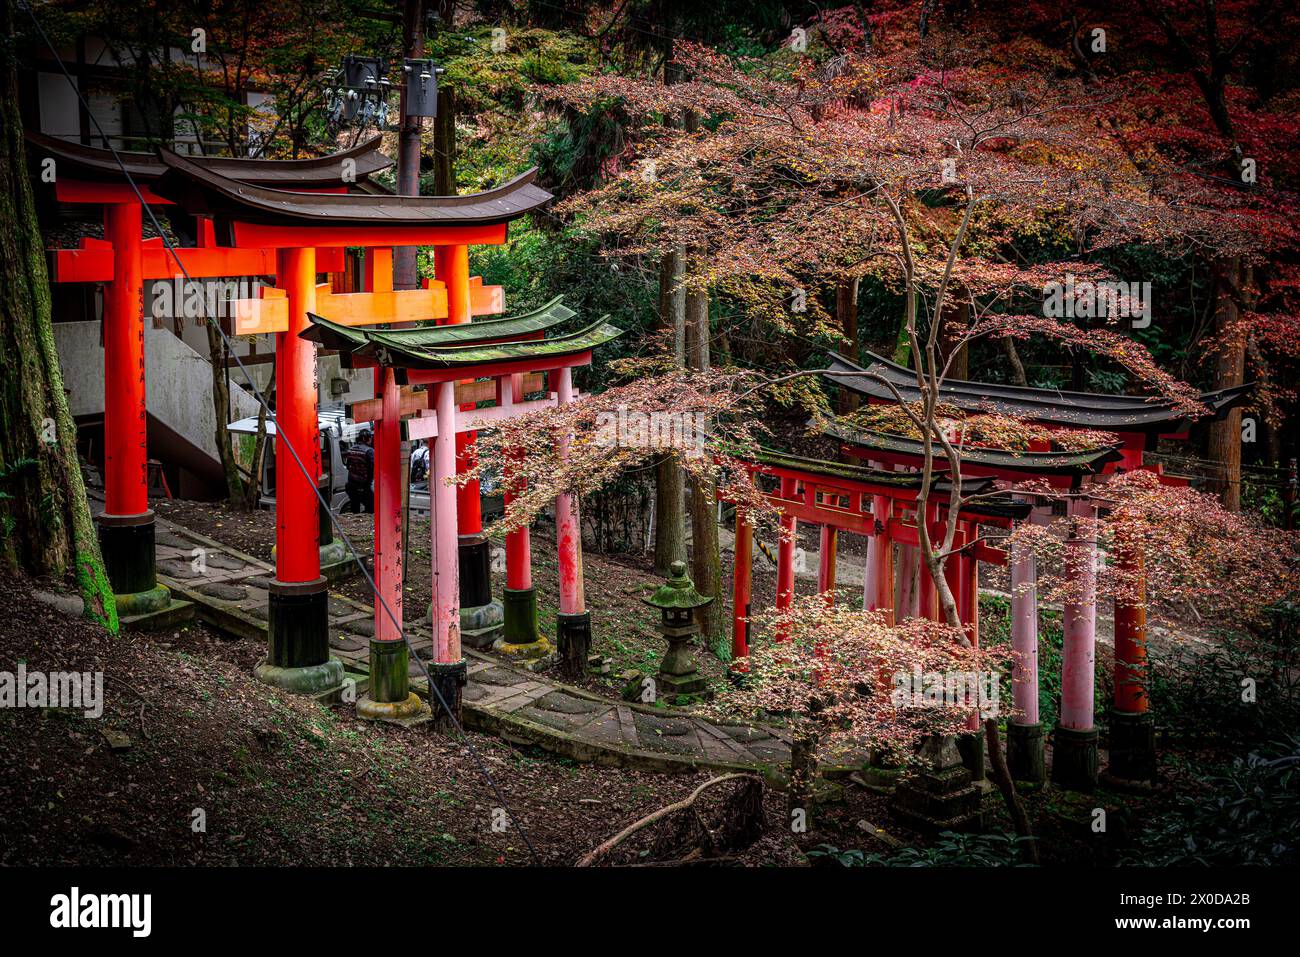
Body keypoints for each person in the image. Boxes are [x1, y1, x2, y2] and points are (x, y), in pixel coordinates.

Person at [342, 429, 375, 514]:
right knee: (372, 508)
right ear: (365, 438)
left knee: (354, 508)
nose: (371, 440)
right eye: (370, 438)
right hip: (364, 486)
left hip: (351, 484)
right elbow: (374, 468)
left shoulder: (351, 449)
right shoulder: (369, 451)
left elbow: (348, 466)